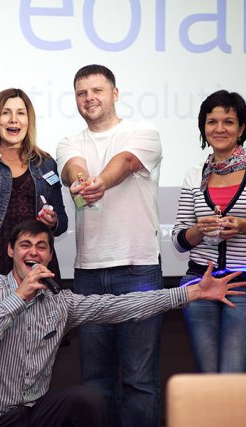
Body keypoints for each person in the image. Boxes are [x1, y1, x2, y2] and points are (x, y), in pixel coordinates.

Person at [0, 219, 246, 427]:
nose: (33, 253)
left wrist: (191, 292)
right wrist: (19, 297)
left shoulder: (60, 302)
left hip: (33, 413)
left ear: (49, 256)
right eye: (25, 245)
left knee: (88, 400)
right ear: (11, 251)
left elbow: (120, 306)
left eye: (41, 247)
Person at [55, 64, 163, 426]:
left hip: (138, 269)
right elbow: (73, 168)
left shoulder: (143, 132)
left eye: (97, 90)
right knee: (96, 382)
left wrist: (100, 181)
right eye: (82, 93)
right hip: (88, 275)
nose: (89, 98)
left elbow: (127, 161)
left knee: (139, 382)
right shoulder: (69, 141)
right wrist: (82, 179)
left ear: (115, 94)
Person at [172, 90, 246, 372]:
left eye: (228, 122)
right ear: (203, 127)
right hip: (200, 284)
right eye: (211, 122)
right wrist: (199, 230)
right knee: (207, 377)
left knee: (232, 378)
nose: (219, 129)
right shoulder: (194, 172)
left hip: (244, 286)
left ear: (241, 128)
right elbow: (179, 239)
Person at [0, 88, 68, 285]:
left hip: (34, 259)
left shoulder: (45, 163)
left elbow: (62, 221)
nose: (13, 120)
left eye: (20, 113)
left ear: (28, 120)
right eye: (6, 113)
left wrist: (53, 222)